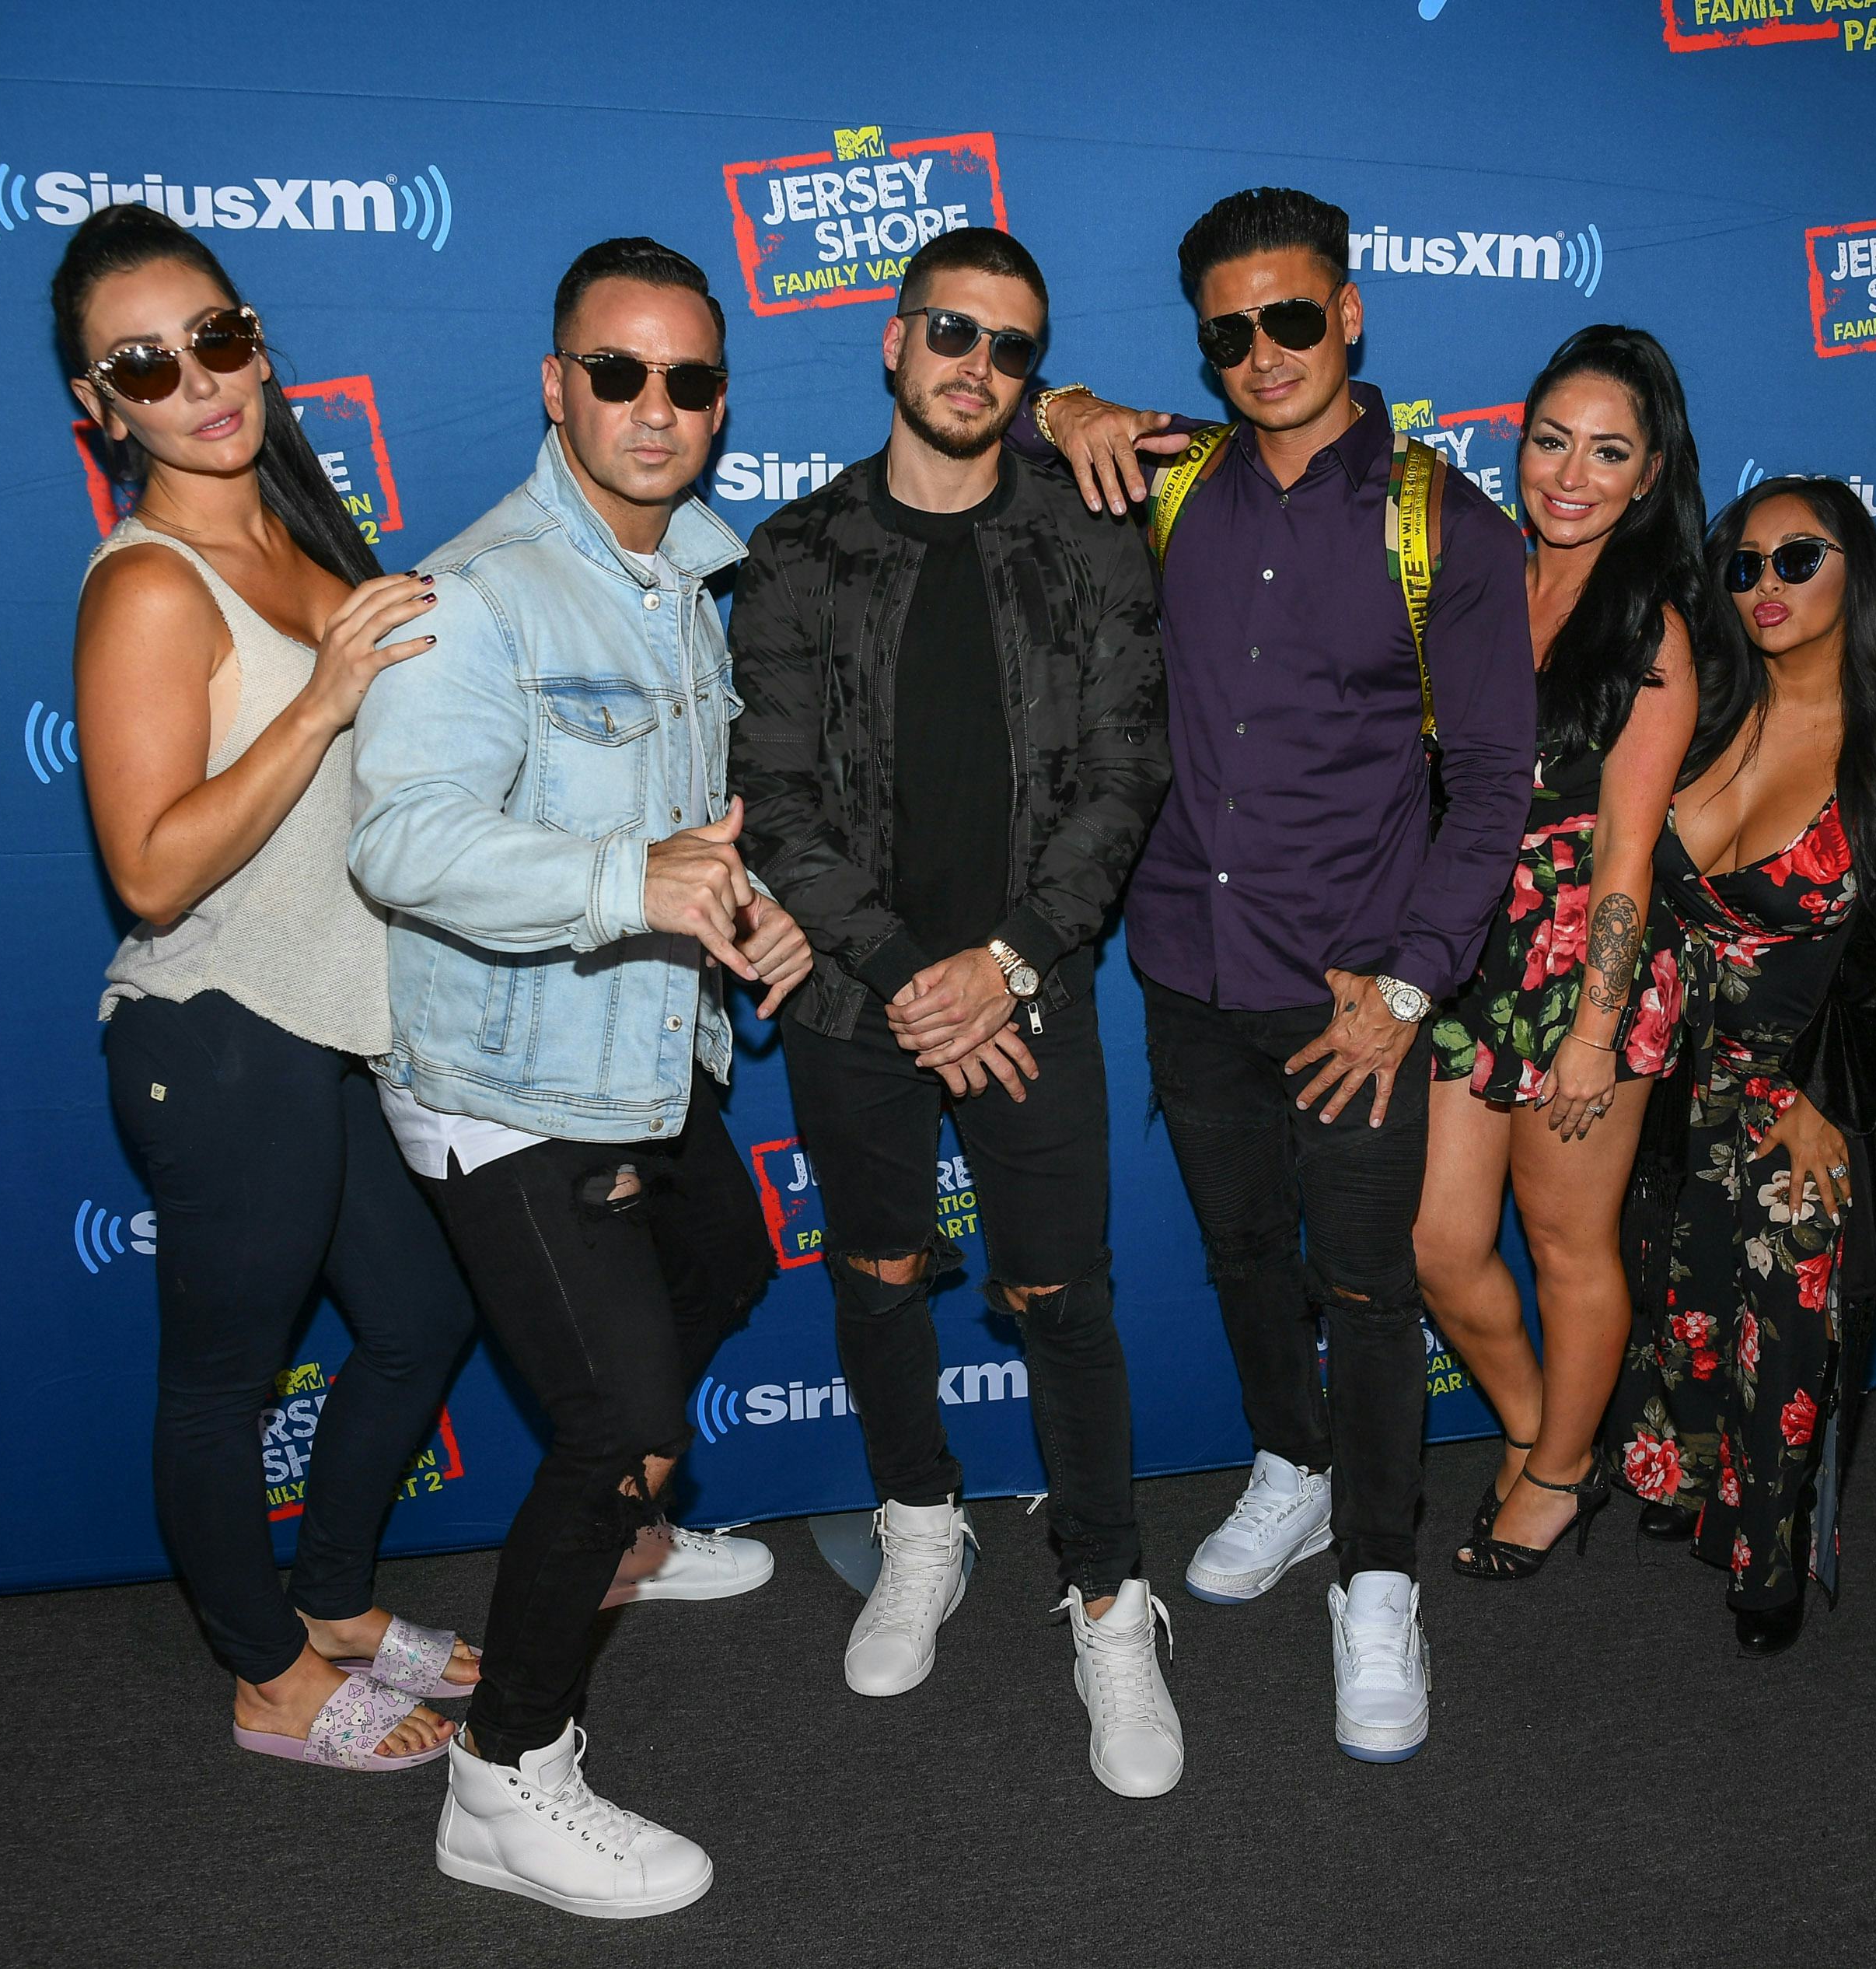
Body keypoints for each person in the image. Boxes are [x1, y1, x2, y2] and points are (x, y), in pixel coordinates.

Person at [1020, 187, 1535, 1761]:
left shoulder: (1448, 524)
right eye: (1230, 331)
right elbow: (994, 412)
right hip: (1188, 964)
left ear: (1350, 314)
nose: (1264, 352)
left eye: (1292, 318)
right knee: (1245, 1252)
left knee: (1372, 1294)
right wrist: (1064, 401)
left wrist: (1412, 987)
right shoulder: (1173, 477)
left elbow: (1493, 787)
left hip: (1352, 997)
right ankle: (1293, 1467)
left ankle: (1379, 1581)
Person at [349, 237, 811, 1917]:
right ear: (557, 386)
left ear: (719, 404)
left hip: (644, 1047)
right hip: (506, 1077)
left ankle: (626, 1528)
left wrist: (735, 906)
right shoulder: (476, 591)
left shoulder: (683, 580)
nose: (654, 407)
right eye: (617, 373)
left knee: (728, 1266)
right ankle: (503, 1781)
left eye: (689, 380)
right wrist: (636, 882)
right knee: (620, 1416)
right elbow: (404, 842)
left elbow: (672, 834)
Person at [729, 228, 1179, 1796]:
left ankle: (1109, 1600)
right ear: (893, 338)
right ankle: (919, 1525)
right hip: (857, 999)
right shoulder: (796, 550)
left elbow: (1128, 771)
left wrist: (1012, 961)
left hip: (1030, 991)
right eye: (950, 332)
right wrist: (914, 977)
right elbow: (774, 795)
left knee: (1064, 1301)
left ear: (1034, 372)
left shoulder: (1090, 540)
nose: (976, 365)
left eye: (1011, 347)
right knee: (876, 1275)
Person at [59, 204, 480, 1773]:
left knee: (421, 1318)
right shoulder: (150, 586)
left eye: (217, 337)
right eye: (144, 366)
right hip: (220, 1033)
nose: (197, 382)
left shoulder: (299, 539)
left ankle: (337, 1602)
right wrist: (324, 700)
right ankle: (264, 1675)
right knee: (224, 1382)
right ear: (103, 407)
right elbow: (151, 871)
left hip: (331, 1028)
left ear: (255, 341)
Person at [1608, 475, 1876, 1656]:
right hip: (1676, 1076)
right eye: (1745, 565)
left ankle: (1770, 1556)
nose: (1766, 585)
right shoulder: (1698, 717)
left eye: (1798, 558)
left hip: (1810, 1087)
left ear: (1859, 575)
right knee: (1675, 1283)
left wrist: (1822, 1101)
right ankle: (1681, 1471)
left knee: (1790, 1303)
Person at [1412, 327, 1709, 1579]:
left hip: (1588, 966)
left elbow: (1629, 855)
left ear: (1650, 476)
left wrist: (1595, 1032)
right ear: (1518, 443)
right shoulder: (1480, 582)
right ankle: (1553, 1435)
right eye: (1551, 441)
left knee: (1566, 1244)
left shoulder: (1652, 632)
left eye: (1609, 452)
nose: (1571, 475)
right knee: (1438, 1243)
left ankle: (1554, 1473)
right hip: (1468, 951)